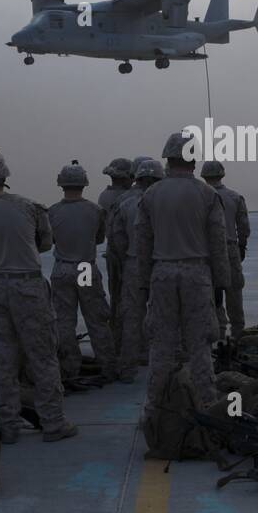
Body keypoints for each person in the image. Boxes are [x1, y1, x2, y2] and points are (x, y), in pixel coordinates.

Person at [0, 148, 75, 444]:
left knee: (1, 358)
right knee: (43, 357)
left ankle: (8, 424)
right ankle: (53, 422)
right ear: (3, 174)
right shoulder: (29, 207)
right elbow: (46, 245)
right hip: (27, 286)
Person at [137, 134, 230, 418]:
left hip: (162, 272)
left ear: (167, 157)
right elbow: (218, 243)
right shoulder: (207, 194)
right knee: (199, 344)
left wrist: (143, 285)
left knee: (161, 346)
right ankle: (206, 406)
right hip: (196, 273)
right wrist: (220, 284)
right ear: (193, 158)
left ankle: (155, 409)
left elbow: (143, 244)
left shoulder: (150, 195)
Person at [48, 160, 115, 381]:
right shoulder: (96, 211)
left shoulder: (52, 212)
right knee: (96, 319)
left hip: (62, 268)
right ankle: (107, 367)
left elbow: (50, 242)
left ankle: (69, 368)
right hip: (85, 266)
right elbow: (98, 239)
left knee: (64, 322)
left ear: (61, 184)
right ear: (84, 184)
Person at [107, 158, 163, 382]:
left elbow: (116, 238)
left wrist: (125, 260)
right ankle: (163, 366)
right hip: (161, 262)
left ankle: (128, 367)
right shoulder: (162, 199)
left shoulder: (123, 201)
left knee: (131, 316)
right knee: (165, 316)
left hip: (133, 264)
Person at [201, 160, 249, 341]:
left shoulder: (200, 195)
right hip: (230, 247)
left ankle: (218, 331)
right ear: (222, 175)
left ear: (204, 176)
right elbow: (243, 226)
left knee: (212, 293)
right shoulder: (235, 197)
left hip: (206, 250)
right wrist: (242, 245)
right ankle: (238, 332)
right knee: (234, 291)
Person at [98, 157, 135, 358]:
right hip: (129, 254)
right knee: (131, 300)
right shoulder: (128, 198)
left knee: (116, 295)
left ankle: (116, 338)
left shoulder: (104, 196)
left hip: (112, 252)